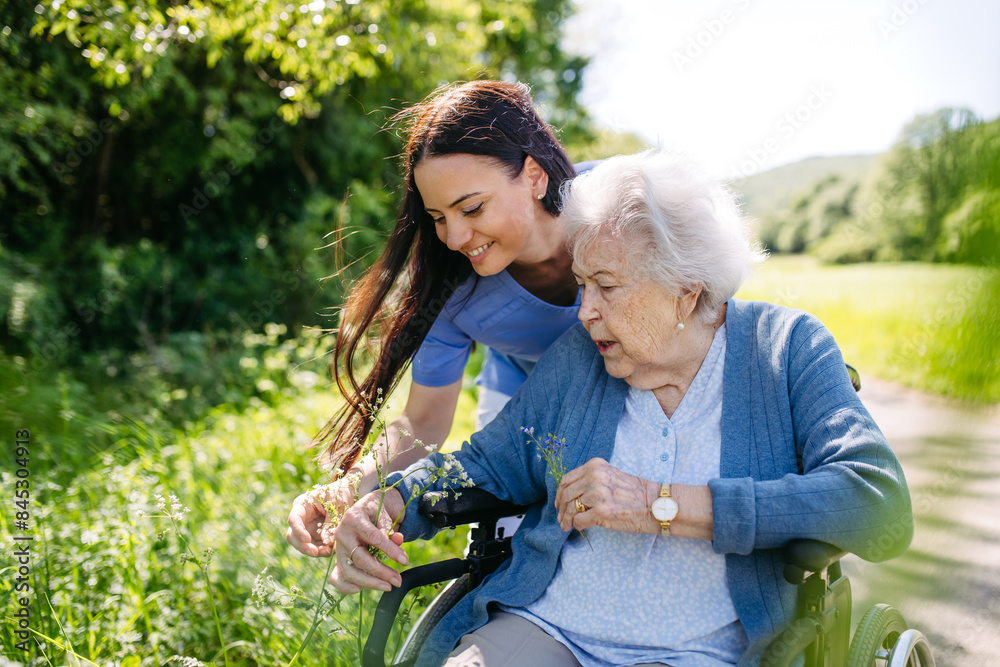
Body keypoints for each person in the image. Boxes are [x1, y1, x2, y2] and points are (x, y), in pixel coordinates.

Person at [331, 149, 914, 667]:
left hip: (697, 648)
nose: (584, 311)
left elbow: (878, 507)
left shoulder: (785, 349)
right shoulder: (580, 358)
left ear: (686, 289)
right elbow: (487, 461)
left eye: (606, 287)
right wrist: (394, 499)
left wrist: (661, 503)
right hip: (549, 624)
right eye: (582, 284)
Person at [286, 80, 590, 557]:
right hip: (521, 402)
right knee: (508, 546)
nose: (454, 237)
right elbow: (423, 424)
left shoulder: (620, 208)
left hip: (631, 384)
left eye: (471, 208)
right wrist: (348, 486)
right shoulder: (454, 295)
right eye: (438, 217)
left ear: (533, 176)